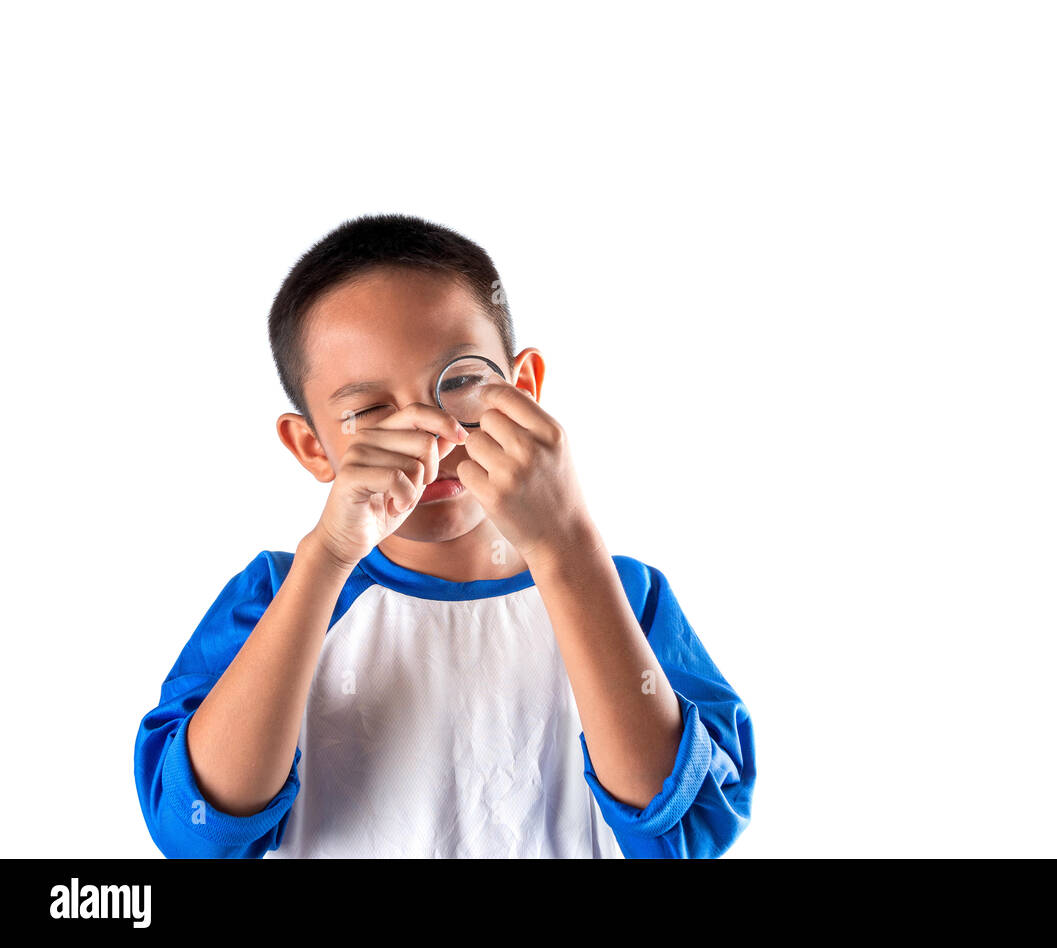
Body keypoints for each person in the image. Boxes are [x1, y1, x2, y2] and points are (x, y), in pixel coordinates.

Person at [132, 214, 756, 858]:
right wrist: (327, 557)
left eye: (459, 382)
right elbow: (196, 830)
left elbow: (687, 830)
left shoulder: (623, 592)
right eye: (370, 411)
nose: (429, 432)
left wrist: (566, 546)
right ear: (311, 446)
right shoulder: (274, 597)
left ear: (526, 388)